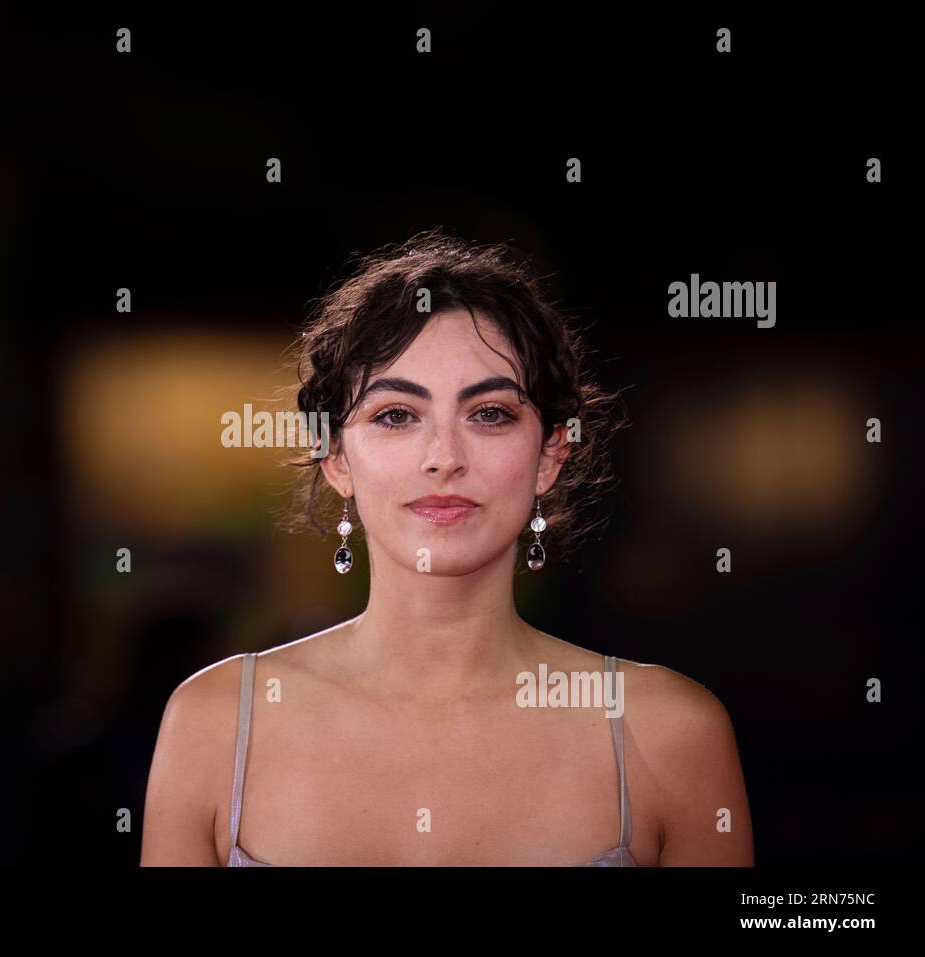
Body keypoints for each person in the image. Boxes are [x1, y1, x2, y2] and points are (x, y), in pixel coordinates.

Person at [141, 227, 754, 866]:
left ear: (550, 454)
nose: (444, 459)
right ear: (336, 459)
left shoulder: (669, 732)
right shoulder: (213, 726)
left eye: (489, 413)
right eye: (396, 416)